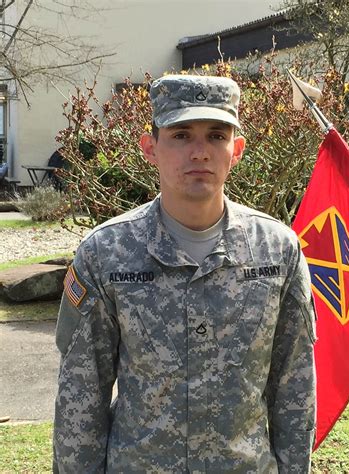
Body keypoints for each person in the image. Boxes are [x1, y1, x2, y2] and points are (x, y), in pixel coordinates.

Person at [53, 74, 316, 473]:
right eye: (180, 135)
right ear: (150, 148)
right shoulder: (107, 253)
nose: (199, 152)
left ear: (237, 150)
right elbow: (81, 394)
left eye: (215, 135)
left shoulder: (277, 251)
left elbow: (294, 386)